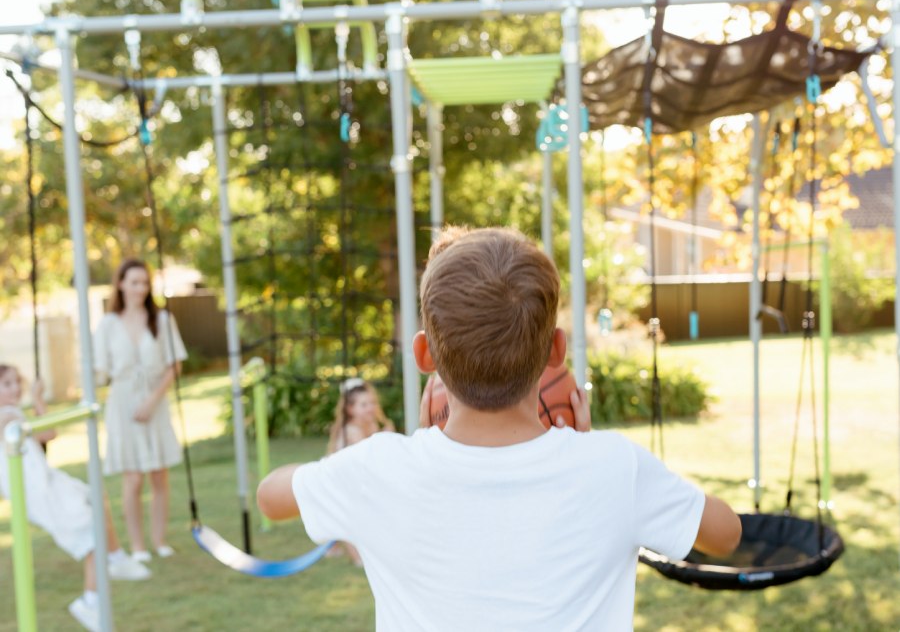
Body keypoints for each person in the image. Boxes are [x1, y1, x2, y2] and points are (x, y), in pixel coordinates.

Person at [257, 227, 741, 631]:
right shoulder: (616, 467)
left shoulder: (376, 468)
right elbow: (727, 534)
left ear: (425, 355)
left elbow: (270, 496)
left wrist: (409, 451)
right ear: (557, 350)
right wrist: (588, 456)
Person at [0, 364, 151, 632]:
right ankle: (89, 602)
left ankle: (115, 558)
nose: (15, 388)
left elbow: (47, 434)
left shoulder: (12, 413)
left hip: (47, 479)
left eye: (16, 382)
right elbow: (36, 431)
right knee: (91, 538)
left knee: (95, 495)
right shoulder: (7, 416)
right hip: (38, 490)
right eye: (7, 384)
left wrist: (36, 402)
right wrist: (35, 404)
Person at [93, 257, 187, 563]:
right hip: (122, 404)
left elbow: (174, 365)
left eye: (144, 282)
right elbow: (99, 370)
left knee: (159, 475)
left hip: (154, 400)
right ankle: (137, 545)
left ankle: (159, 540)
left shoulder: (160, 320)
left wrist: (152, 401)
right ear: (121, 284)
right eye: (134, 282)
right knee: (132, 479)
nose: (140, 288)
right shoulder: (108, 324)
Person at [325, 378, 395, 565]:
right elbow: (368, 455)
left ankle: (334, 543)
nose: (370, 407)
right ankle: (358, 558)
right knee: (349, 518)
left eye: (372, 403)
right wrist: (385, 438)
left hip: (357, 478)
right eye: (364, 404)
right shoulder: (351, 430)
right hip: (340, 480)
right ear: (350, 409)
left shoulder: (371, 424)